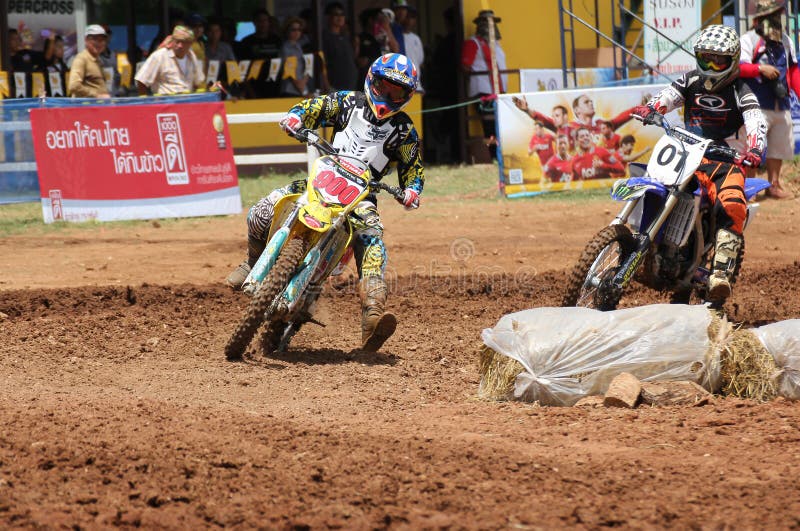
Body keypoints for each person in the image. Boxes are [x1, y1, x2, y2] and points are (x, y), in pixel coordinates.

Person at [226, 53, 423, 354]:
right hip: (321, 181)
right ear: (372, 80)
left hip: (361, 198)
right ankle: (252, 262)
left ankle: (372, 316)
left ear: (406, 95)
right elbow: (314, 107)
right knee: (262, 210)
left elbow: (413, 169)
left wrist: (411, 190)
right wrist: (295, 118)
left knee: (372, 240)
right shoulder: (347, 102)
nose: (388, 96)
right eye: (384, 86)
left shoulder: (405, 130)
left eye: (397, 91)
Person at [632, 24, 767, 304]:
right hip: (684, 149)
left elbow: (756, 121)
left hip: (723, 158)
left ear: (732, 61)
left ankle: (720, 274)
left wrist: (755, 147)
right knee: (652, 181)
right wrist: (652, 108)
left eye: (718, 60)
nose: (711, 65)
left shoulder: (742, 91)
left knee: (731, 203)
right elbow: (669, 95)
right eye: (706, 58)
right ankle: (636, 240)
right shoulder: (690, 79)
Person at [739, 0, 797, 199]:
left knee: (778, 148)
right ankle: (750, 187)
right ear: (758, 19)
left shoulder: (786, 41)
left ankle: (774, 185)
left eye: (777, 14)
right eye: (770, 15)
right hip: (756, 104)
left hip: (781, 104)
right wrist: (760, 69)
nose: (775, 19)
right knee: (753, 147)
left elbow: (794, 69)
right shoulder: (748, 40)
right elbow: (739, 67)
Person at [462, 10, 507, 159]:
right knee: (490, 125)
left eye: (493, 23)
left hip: (499, 91)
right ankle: (494, 157)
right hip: (484, 91)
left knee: (501, 124)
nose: (491, 26)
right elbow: (465, 65)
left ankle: (501, 156)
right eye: (487, 23)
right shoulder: (473, 42)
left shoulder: (497, 45)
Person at [135, 25, 205, 95]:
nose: (180, 46)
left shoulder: (191, 56)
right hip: (165, 103)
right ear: (172, 40)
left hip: (187, 103)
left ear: (190, 43)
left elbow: (198, 81)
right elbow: (142, 81)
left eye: (184, 42)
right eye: (177, 41)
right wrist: (145, 102)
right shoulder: (159, 56)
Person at [239, 9, 282, 97]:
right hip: (254, 85)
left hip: (276, 85)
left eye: (265, 20)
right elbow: (242, 68)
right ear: (254, 23)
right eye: (259, 21)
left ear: (269, 22)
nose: (262, 24)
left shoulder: (277, 40)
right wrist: (249, 89)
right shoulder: (247, 42)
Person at [321, 2, 359, 91]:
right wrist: (327, 86)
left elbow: (351, 59)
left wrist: (356, 47)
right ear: (328, 17)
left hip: (351, 86)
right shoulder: (324, 37)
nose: (340, 17)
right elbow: (321, 64)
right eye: (336, 14)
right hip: (334, 87)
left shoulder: (345, 37)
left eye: (342, 15)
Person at [68, 25, 110, 98]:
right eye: (94, 39)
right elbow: (74, 86)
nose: (98, 43)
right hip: (85, 107)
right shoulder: (81, 59)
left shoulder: (98, 60)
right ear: (86, 40)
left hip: (98, 106)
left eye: (102, 40)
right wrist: (96, 95)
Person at [279, 17, 311, 97]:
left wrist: (304, 84)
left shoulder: (300, 46)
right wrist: (301, 88)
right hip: (290, 89)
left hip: (302, 87)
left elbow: (308, 65)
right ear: (287, 31)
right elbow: (289, 71)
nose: (297, 32)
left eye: (299, 30)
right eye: (293, 29)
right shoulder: (285, 48)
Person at [402, 6, 424, 93]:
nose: (410, 20)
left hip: (416, 85)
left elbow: (420, 60)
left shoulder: (416, 39)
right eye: (407, 17)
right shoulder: (397, 37)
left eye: (412, 18)